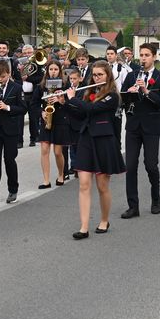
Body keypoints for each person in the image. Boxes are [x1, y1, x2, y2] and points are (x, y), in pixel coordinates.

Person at [66, 61, 125, 239]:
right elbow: (81, 114)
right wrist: (65, 103)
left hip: (104, 140)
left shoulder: (112, 96)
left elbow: (93, 109)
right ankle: (84, 227)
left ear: (108, 76)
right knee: (84, 184)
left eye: (100, 74)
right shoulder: (89, 92)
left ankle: (104, 220)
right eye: (95, 75)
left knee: (102, 186)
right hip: (86, 139)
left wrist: (73, 98)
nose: (97, 78)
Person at [120, 42, 160, 217]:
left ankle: (156, 198)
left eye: (147, 55)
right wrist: (130, 92)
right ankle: (133, 206)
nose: (143, 58)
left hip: (151, 126)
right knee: (130, 166)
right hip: (133, 126)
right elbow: (121, 100)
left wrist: (146, 91)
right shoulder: (131, 76)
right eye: (141, 55)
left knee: (151, 165)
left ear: (154, 57)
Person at [0, 61, 26, 208]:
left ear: (8, 74)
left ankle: (13, 190)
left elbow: (23, 108)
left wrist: (7, 107)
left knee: (9, 160)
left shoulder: (16, 88)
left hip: (10, 130)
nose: (0, 80)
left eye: (2, 76)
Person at [38, 60, 71, 188]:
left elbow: (70, 103)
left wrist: (61, 100)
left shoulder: (65, 85)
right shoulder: (42, 86)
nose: (53, 72)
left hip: (60, 121)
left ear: (60, 71)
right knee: (45, 150)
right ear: (47, 71)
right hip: (46, 120)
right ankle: (46, 180)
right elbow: (34, 103)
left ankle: (61, 174)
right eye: (51, 69)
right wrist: (41, 112)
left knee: (58, 152)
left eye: (55, 69)